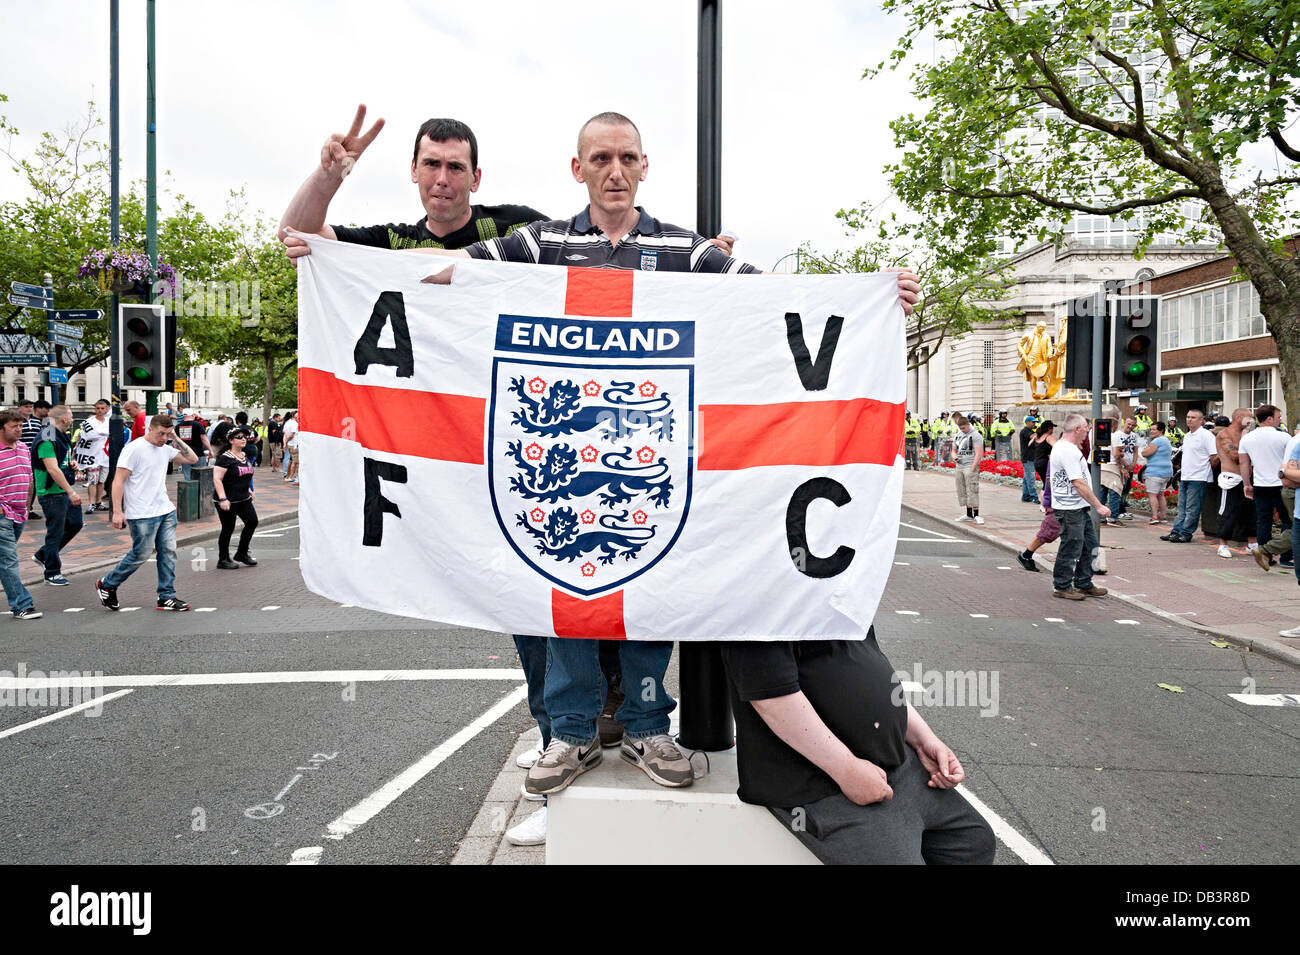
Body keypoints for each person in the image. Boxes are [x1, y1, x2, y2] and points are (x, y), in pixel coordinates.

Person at [413, 109, 922, 802]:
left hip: (653, 453)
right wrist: (340, 268)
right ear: (578, 169)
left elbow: (774, 292)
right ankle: (571, 730)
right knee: (561, 591)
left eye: (626, 157)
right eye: (599, 159)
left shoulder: (686, 251)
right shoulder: (541, 244)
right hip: (559, 452)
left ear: (645, 166)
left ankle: (652, 724)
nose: (614, 171)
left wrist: (871, 292)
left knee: (651, 591)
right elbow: (448, 272)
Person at [719, 632, 994, 865]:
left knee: (971, 842)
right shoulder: (761, 601)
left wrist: (924, 739)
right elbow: (772, 698)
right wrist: (846, 769)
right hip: (819, 785)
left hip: (896, 765)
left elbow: (871, 670)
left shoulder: (842, 587)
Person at [95, 414, 197, 612]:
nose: (164, 438)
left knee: (168, 553)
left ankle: (166, 596)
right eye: (161, 434)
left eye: (168, 434)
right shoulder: (134, 449)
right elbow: (118, 481)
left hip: (165, 509)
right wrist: (117, 511)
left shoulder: (166, 448)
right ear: (149, 429)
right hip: (141, 512)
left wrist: (175, 439)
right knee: (140, 554)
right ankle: (107, 583)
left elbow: (191, 459)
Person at [1049, 413, 1111, 600]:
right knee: (1071, 546)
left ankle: (1083, 582)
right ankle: (1062, 586)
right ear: (1076, 429)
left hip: (1076, 506)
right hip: (1069, 508)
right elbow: (1078, 482)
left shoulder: (1067, 447)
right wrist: (1098, 506)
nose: (1088, 431)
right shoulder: (1067, 450)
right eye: (1086, 427)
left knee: (1089, 545)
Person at [31, 405, 82, 586]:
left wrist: (71, 463)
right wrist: (71, 491)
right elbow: (52, 468)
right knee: (56, 532)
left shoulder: (60, 436)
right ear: (64, 419)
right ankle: (52, 572)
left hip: (62, 490)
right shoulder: (46, 437)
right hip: (52, 493)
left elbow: (61, 461)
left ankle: (43, 554)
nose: (73, 419)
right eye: (71, 416)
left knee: (76, 524)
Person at [1241, 404, 1292, 571]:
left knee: (1264, 521)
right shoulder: (1284, 437)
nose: (1280, 420)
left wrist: (1247, 484)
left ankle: (1265, 557)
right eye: (1278, 417)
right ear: (1269, 419)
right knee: (1288, 521)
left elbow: (1244, 463)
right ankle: (1286, 557)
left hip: (1260, 484)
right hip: (1280, 484)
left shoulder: (1247, 438)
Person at [0, 410, 40, 619]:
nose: (19, 430)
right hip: (3, 513)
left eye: (21, 426)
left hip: (19, 512)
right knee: (8, 560)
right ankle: (21, 605)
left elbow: (28, 477)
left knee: (3, 559)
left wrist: (27, 505)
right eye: (14, 426)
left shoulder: (24, 447)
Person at [1163, 409, 1217, 543]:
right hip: (1186, 476)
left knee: (1192, 508)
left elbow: (1214, 457)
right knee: (1181, 507)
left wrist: (1207, 471)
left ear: (1201, 420)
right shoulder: (1187, 436)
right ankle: (1176, 531)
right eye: (1188, 417)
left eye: (1193, 417)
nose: (1189, 420)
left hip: (1199, 478)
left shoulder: (1206, 435)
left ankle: (1186, 533)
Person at [212, 426, 259, 570]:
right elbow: (217, 479)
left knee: (252, 522)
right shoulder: (224, 459)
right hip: (228, 500)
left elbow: (244, 475)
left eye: (244, 437)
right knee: (228, 528)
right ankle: (223, 559)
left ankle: (242, 553)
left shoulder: (243, 456)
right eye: (239, 437)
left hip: (243, 497)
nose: (243, 439)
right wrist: (223, 499)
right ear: (231, 440)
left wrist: (249, 489)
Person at [1017, 421, 1059, 572]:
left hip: (1038, 463)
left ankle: (1027, 555)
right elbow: (1058, 447)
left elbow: (1029, 445)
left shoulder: (1037, 436)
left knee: (1044, 485)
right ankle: (1026, 555)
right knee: (1050, 528)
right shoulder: (1048, 437)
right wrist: (1054, 454)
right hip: (1046, 464)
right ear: (1049, 428)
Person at [1213, 408, 1255, 559]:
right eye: (1249, 418)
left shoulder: (1248, 435)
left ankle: (1252, 544)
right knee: (1227, 512)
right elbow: (1234, 456)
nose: (1251, 421)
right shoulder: (1225, 434)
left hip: (1248, 479)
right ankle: (1223, 544)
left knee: (1250, 512)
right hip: (1231, 479)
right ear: (1238, 417)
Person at [73, 399, 113, 514]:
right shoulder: (89, 421)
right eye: (97, 408)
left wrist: (100, 432)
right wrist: (105, 432)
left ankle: (98, 501)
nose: (100, 411)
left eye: (102, 408)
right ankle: (91, 503)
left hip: (105, 456)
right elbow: (90, 435)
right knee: (92, 481)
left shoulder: (109, 421)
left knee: (101, 481)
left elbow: (113, 432)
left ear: (107, 409)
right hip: (92, 456)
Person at [951, 413, 984, 524]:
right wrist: (954, 457)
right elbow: (953, 450)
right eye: (960, 428)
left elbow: (979, 454)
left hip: (970, 465)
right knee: (962, 490)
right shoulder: (958, 435)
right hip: (959, 466)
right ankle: (969, 514)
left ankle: (977, 515)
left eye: (964, 428)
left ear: (968, 424)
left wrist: (973, 468)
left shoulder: (976, 435)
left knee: (972, 489)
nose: (962, 430)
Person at [1139, 422, 1175, 525]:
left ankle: (1154, 516)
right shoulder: (1166, 440)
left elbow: (1145, 453)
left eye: (1154, 429)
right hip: (1167, 472)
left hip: (1155, 472)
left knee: (1152, 494)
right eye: (1151, 429)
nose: (1151, 431)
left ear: (1161, 430)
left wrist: (1145, 450)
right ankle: (1163, 516)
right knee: (1160, 494)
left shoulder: (1157, 441)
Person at [21, 399, 48, 521]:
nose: (28, 409)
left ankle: (29, 507)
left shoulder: (37, 422)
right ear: (20, 408)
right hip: (22, 455)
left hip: (34, 456)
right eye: (26, 406)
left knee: (33, 483)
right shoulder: (17, 421)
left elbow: (45, 437)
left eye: (30, 407)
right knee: (23, 482)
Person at [175, 407, 213, 480]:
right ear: (193, 415)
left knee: (187, 475)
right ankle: (199, 491)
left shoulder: (178, 427)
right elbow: (204, 439)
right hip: (198, 454)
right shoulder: (198, 425)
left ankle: (190, 490)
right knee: (200, 475)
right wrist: (210, 450)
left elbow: (175, 442)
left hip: (185, 454)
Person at [1018, 414, 1041, 503]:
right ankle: (1033, 496)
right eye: (1033, 422)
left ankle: (1026, 496)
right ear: (1027, 422)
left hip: (1030, 458)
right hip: (1027, 458)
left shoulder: (1030, 431)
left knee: (1026, 478)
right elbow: (1032, 437)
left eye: (1035, 422)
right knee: (1030, 478)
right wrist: (1040, 432)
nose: (1034, 424)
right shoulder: (1025, 431)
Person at [282, 412, 300, 484]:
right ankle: (294, 477)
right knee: (296, 462)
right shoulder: (295, 424)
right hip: (294, 445)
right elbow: (292, 436)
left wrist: (285, 443)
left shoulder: (287, 423)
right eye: (296, 417)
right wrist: (286, 442)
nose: (297, 419)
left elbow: (285, 434)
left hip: (291, 444)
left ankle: (289, 476)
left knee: (291, 461)